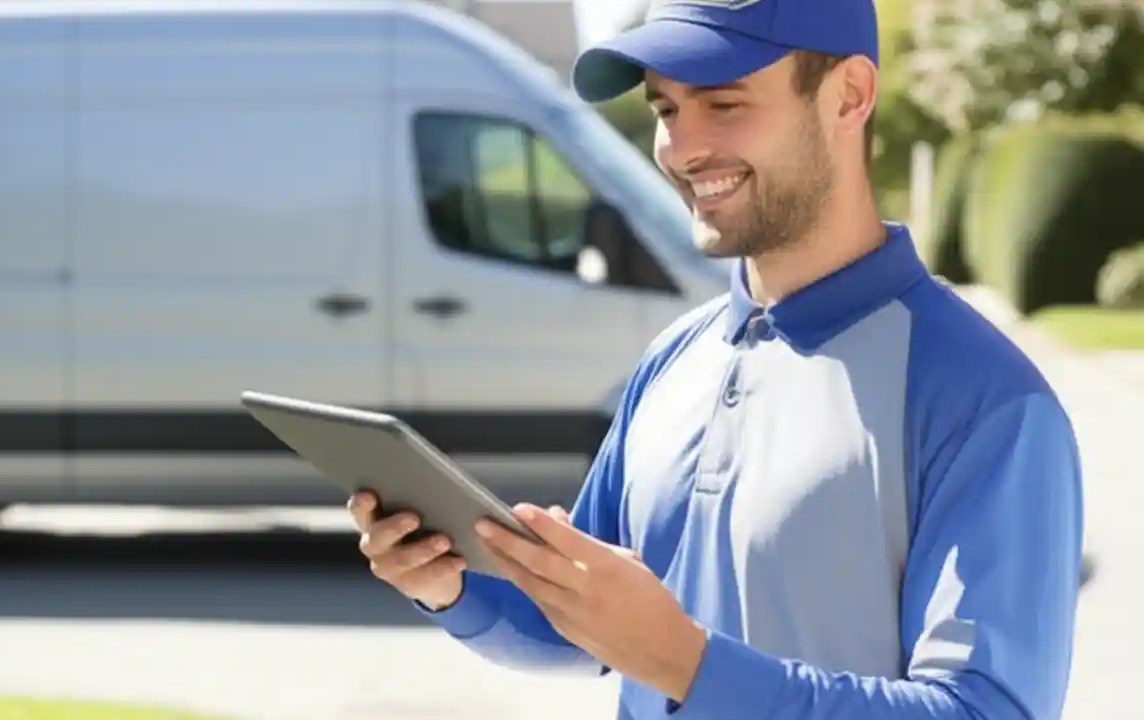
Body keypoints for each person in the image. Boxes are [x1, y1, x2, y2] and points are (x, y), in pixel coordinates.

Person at [347, 0, 1084, 717]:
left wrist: (685, 663)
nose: (681, 148)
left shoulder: (984, 400)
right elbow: (589, 626)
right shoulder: (674, 360)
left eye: (724, 104)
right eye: (666, 109)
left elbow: (983, 709)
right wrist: (450, 583)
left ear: (849, 96)